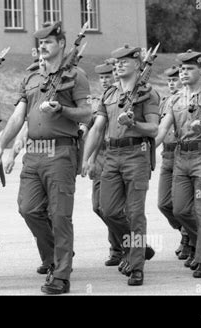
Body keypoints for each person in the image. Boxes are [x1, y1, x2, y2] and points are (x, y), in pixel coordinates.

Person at [0, 21, 91, 294]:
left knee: (60, 215)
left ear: (61, 43)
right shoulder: (32, 76)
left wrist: (63, 111)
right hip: (34, 154)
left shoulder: (76, 75)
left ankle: (61, 275)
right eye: (40, 42)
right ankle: (55, 257)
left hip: (61, 152)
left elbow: (87, 113)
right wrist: (2, 145)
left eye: (48, 41)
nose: (42, 46)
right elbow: (18, 115)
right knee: (28, 208)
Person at [82, 45, 160, 286]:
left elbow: (154, 128)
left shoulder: (148, 93)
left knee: (135, 213)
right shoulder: (109, 94)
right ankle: (135, 246)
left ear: (138, 64)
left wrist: (134, 123)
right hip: (112, 154)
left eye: (125, 61)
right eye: (117, 62)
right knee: (108, 209)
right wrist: (86, 157)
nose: (119, 64)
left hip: (136, 154)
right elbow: (97, 128)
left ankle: (136, 265)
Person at [156, 50, 201, 278]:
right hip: (181, 158)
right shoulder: (174, 99)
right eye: (182, 69)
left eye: (189, 69)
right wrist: (146, 149)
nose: (184, 73)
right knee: (180, 209)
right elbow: (163, 128)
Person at [81, 62, 123, 266]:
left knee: (111, 208)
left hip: (115, 155)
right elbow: (91, 128)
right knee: (98, 207)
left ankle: (119, 249)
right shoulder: (99, 101)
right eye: (102, 78)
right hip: (100, 157)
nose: (105, 80)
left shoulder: (121, 99)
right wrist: (89, 159)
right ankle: (124, 244)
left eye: (109, 76)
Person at [156, 65, 190, 260]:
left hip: (181, 154)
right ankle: (190, 232)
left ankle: (188, 238)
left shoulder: (186, 101)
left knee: (182, 203)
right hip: (166, 155)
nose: (171, 83)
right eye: (169, 80)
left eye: (174, 79)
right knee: (163, 203)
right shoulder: (165, 102)